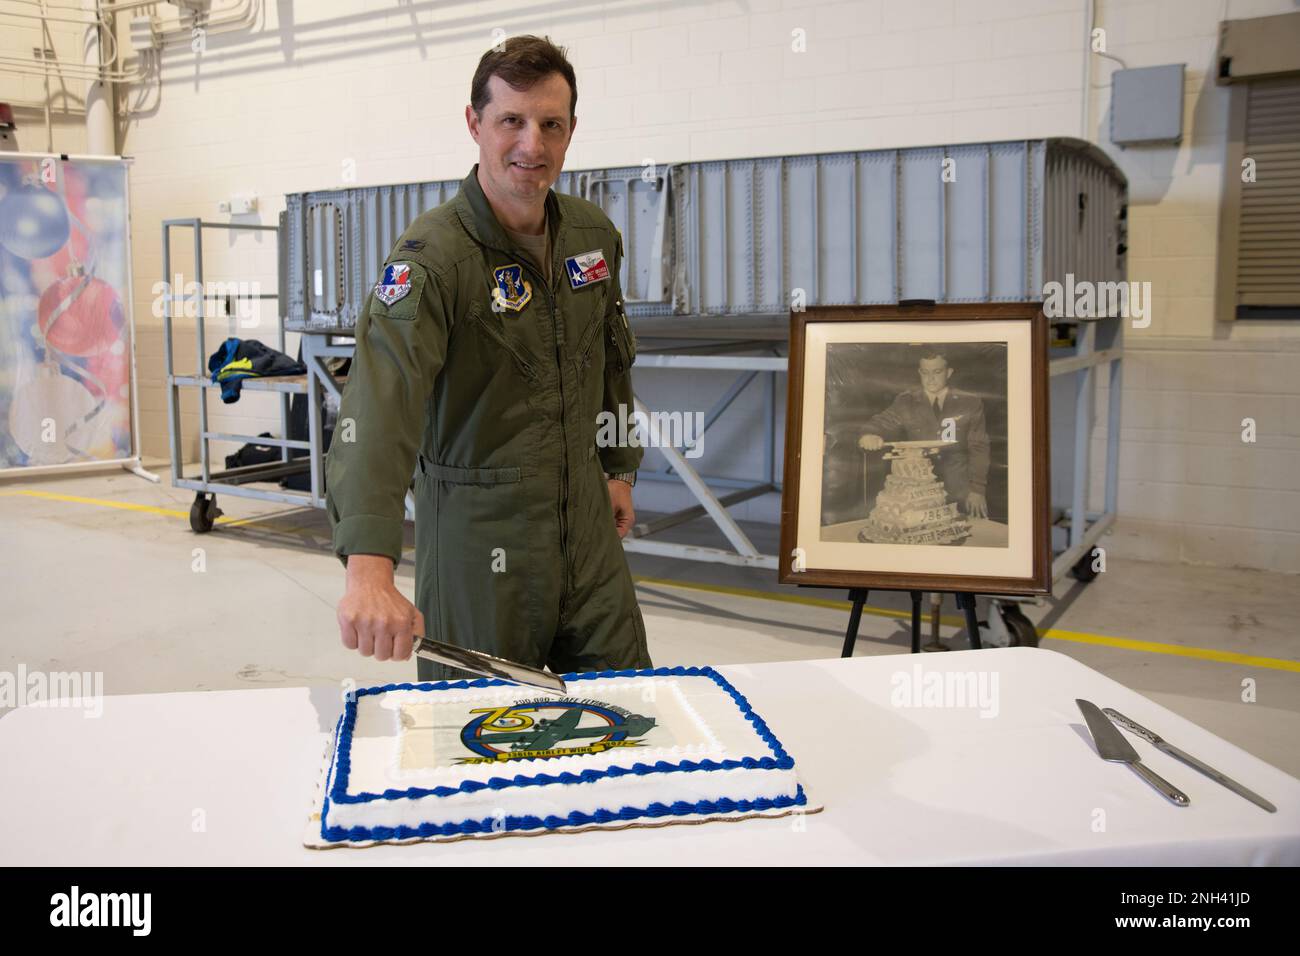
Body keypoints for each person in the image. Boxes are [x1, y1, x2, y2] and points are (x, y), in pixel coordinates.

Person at [325, 35, 650, 681]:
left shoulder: (591, 237)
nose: (532, 145)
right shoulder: (431, 261)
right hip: (479, 539)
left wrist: (617, 467)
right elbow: (380, 409)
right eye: (511, 121)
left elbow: (611, 359)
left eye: (550, 125)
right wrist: (369, 567)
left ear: (571, 130)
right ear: (475, 124)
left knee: (627, 708)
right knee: (479, 737)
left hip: (586, 528)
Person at [857, 349, 990, 518]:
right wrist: (869, 434)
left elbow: (979, 447)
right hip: (919, 491)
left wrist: (977, 489)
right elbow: (883, 421)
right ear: (919, 372)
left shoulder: (969, 402)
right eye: (925, 372)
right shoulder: (906, 401)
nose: (930, 378)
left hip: (960, 489)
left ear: (949, 373)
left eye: (937, 372)